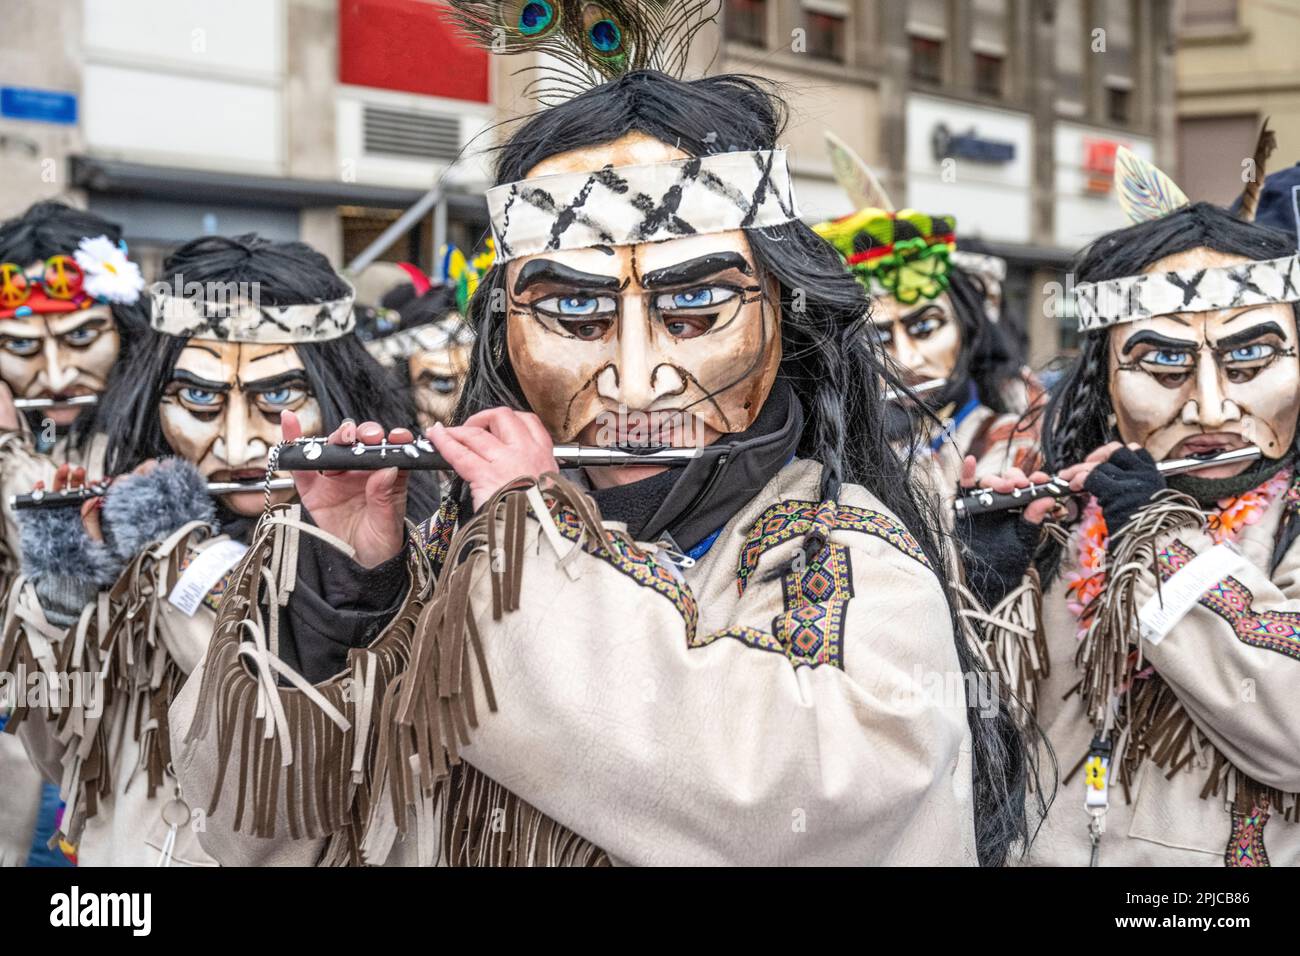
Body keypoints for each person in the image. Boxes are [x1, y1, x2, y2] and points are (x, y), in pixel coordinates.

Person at [169, 3, 1031, 868]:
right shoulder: (453, 554)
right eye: (574, 310)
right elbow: (253, 835)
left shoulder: (855, 565)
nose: (634, 377)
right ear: (505, 332)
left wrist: (534, 554)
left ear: (786, 318)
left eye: (696, 307)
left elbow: (787, 809)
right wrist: (343, 599)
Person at [0, 234, 435, 865]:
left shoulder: (408, 547)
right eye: (200, 398)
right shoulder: (118, 511)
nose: (236, 446)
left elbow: (290, 767)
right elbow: (61, 754)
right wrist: (63, 596)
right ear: (156, 397)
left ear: (336, 391)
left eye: (279, 397)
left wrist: (181, 560)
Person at [965, 146, 1300, 865]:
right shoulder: (1072, 517)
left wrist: (1159, 542)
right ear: (1106, 385)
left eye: (1249, 364)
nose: (1212, 406)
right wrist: (988, 587)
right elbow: (973, 748)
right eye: (1164, 366)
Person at [0, 201, 146, 867]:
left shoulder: (159, 434)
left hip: (114, 746)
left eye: (84, 338)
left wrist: (8, 454)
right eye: (23, 347)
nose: (55, 377)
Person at [813, 134, 1041, 486]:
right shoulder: (836, 443)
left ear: (968, 330)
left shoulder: (1010, 441)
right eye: (878, 337)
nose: (906, 360)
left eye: (925, 329)